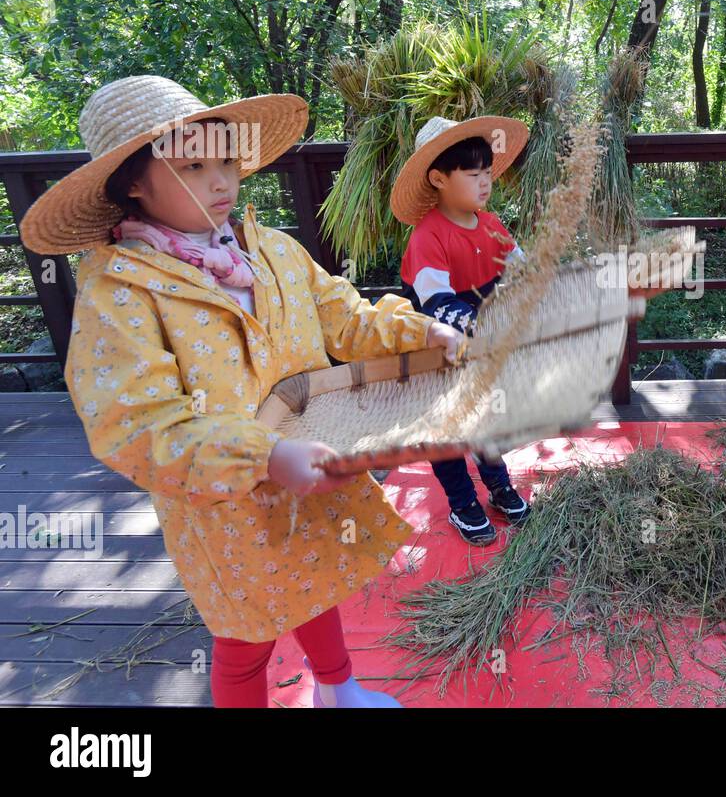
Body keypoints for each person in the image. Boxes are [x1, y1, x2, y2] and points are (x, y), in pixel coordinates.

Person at [19, 75, 463, 707]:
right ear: (133, 185)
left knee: (317, 579)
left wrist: (422, 331)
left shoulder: (273, 251)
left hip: (314, 460)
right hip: (225, 509)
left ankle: (340, 690)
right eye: (193, 166)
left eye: (227, 161)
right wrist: (261, 456)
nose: (221, 181)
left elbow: (346, 319)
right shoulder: (119, 292)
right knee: (246, 633)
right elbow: (135, 422)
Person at [390, 114, 533, 543]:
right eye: (473, 174)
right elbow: (436, 303)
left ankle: (499, 484)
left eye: (488, 172)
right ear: (438, 178)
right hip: (436, 347)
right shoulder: (428, 237)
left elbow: (523, 271)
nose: (485, 182)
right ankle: (461, 501)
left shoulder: (491, 225)